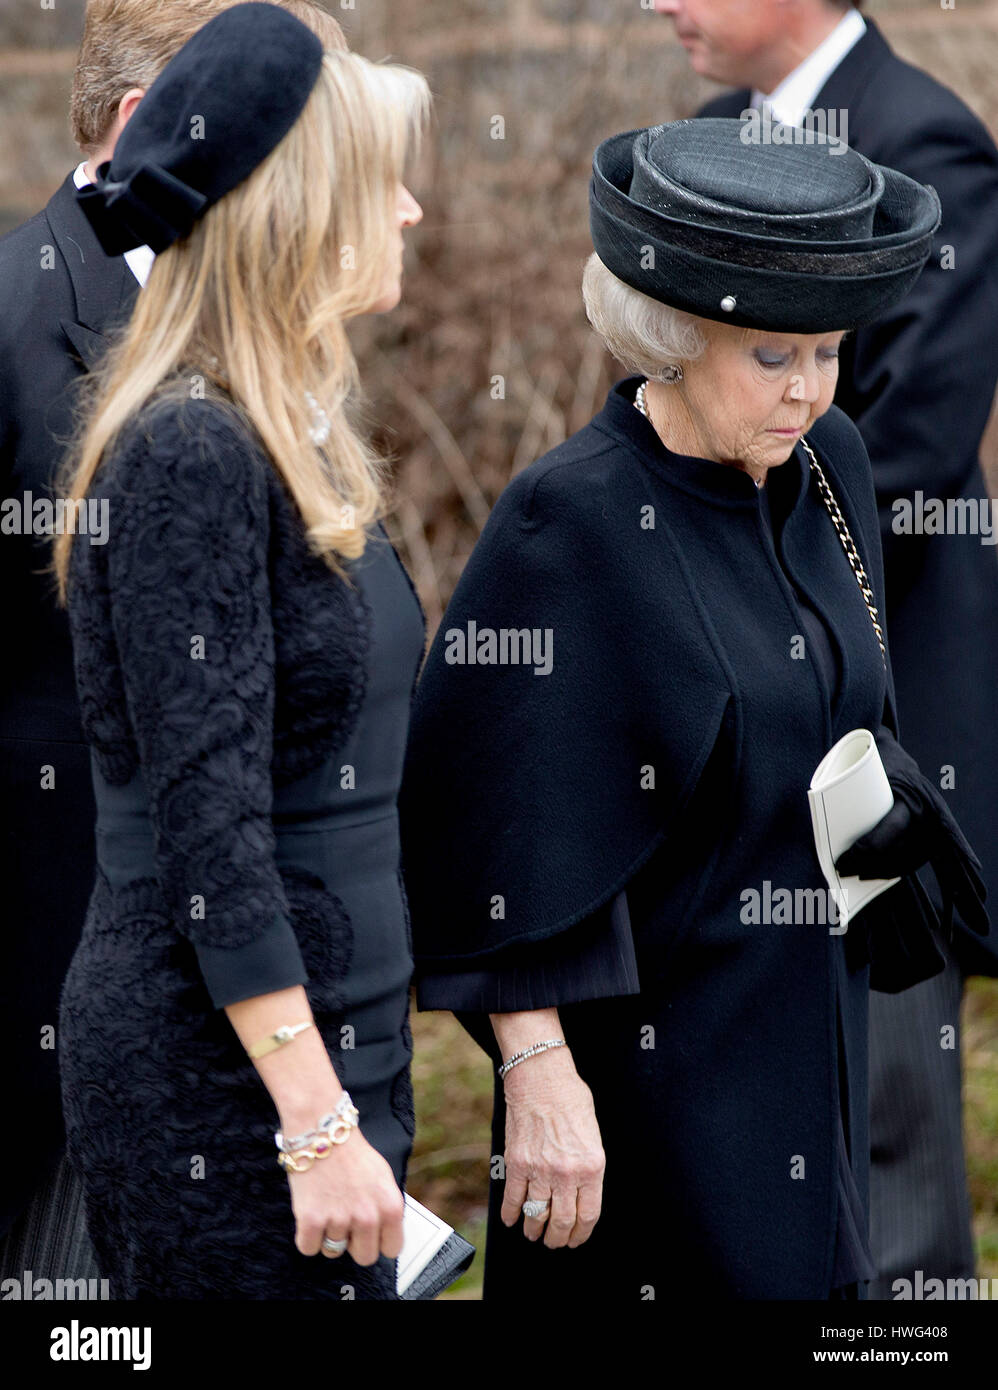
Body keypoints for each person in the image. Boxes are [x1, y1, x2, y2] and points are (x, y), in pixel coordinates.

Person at [399, 117, 989, 1301]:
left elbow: (843, 708)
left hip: (806, 1041)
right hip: (645, 1087)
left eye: (826, 352)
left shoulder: (829, 467)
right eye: (771, 359)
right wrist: (538, 1073)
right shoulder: (567, 524)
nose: (808, 391)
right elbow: (480, 836)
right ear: (670, 339)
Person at [50, 2, 430, 1298]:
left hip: (328, 1053)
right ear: (301, 207)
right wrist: (315, 1124)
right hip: (226, 1087)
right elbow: (207, 824)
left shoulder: (291, 430)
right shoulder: (188, 449)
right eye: (385, 185)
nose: (411, 214)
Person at [0, 0, 347, 1289]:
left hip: (254, 1011)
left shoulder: (278, 338)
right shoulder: (10, 319)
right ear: (159, 122)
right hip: (61, 1007)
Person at [659, 0, 998, 1298]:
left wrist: (737, 612)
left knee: (888, 1128)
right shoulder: (696, 145)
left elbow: (903, 461)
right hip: (719, 730)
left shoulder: (928, 144)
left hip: (872, 727)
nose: (657, 4)